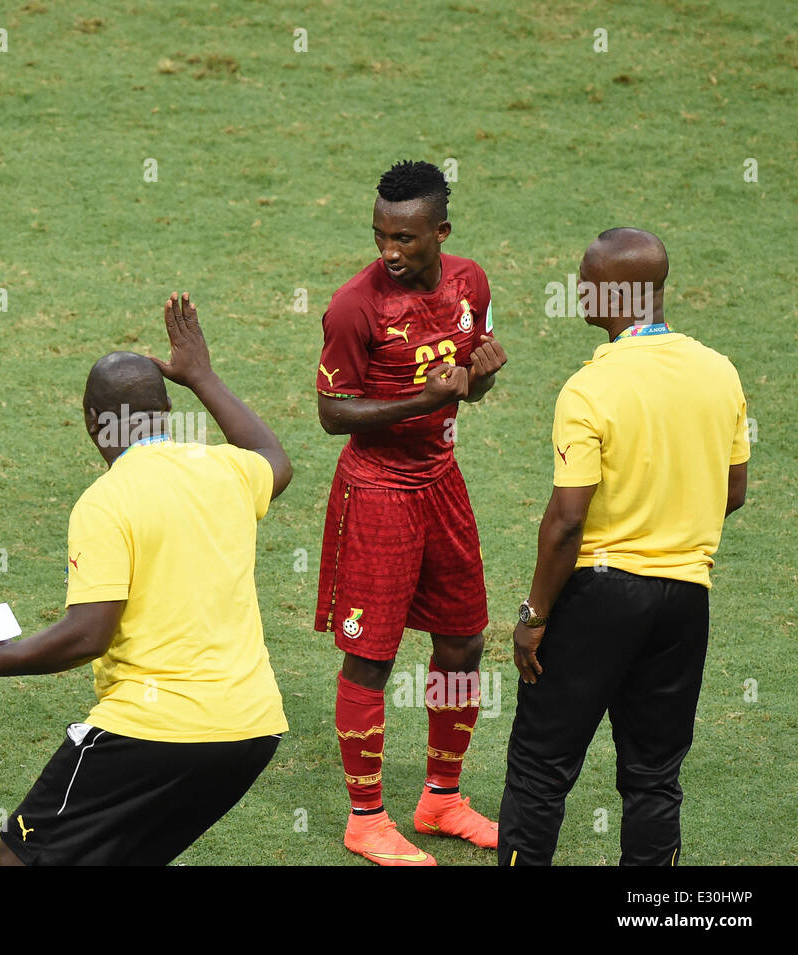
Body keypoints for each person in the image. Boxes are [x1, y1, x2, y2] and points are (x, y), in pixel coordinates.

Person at [0, 292, 292, 866]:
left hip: (153, 731)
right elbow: (274, 456)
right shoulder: (225, 470)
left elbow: (88, 635)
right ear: (166, 413)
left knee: (22, 851)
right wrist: (203, 376)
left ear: (93, 423)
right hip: (253, 731)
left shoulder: (106, 502)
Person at [498, 229, 749, 866]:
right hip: (685, 601)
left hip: (598, 596)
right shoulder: (719, 371)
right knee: (654, 776)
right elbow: (734, 490)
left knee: (540, 767)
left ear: (615, 290)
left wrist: (533, 617)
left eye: (584, 278)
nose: (576, 287)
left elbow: (565, 522)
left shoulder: (592, 387)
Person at [315, 160, 508, 866]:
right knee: (370, 656)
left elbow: (466, 383)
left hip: (442, 483)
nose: (389, 252)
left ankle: (441, 797)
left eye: (404, 238)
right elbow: (332, 413)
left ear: (440, 233)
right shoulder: (352, 307)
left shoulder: (471, 283)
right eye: (379, 236)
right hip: (377, 491)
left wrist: (479, 381)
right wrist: (422, 403)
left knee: (464, 639)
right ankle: (365, 817)